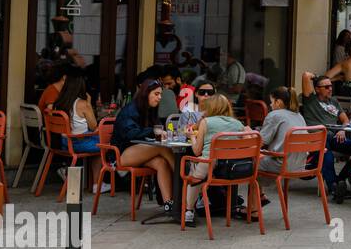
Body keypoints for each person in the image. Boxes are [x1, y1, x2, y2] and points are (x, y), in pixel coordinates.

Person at [183, 94, 249, 228]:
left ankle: (189, 211)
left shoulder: (206, 122)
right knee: (199, 168)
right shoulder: (237, 124)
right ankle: (203, 200)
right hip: (230, 168)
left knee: (193, 173)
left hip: (208, 165)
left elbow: (196, 151)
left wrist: (191, 137)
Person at [112, 80, 178, 213]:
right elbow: (131, 134)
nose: (159, 97)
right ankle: (183, 178)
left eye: (160, 94)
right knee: (163, 148)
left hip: (140, 151)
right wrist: (154, 132)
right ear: (146, 94)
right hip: (121, 154)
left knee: (161, 163)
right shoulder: (130, 110)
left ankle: (169, 204)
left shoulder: (151, 110)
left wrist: (161, 132)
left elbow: (156, 129)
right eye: (156, 94)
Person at [300, 71, 351, 192]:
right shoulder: (310, 100)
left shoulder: (334, 101)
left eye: (331, 86)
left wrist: (342, 129)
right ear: (317, 89)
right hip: (317, 137)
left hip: (334, 136)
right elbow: (305, 75)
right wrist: (317, 77)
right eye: (326, 87)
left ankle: (340, 179)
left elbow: (345, 120)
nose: (330, 89)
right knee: (327, 155)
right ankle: (334, 187)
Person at [259, 87, 308, 174]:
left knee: (249, 161)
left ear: (278, 102)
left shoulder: (274, 115)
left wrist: (250, 135)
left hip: (280, 165)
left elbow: (261, 142)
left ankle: (256, 188)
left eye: (271, 102)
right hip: (300, 165)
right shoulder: (299, 116)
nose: (270, 105)